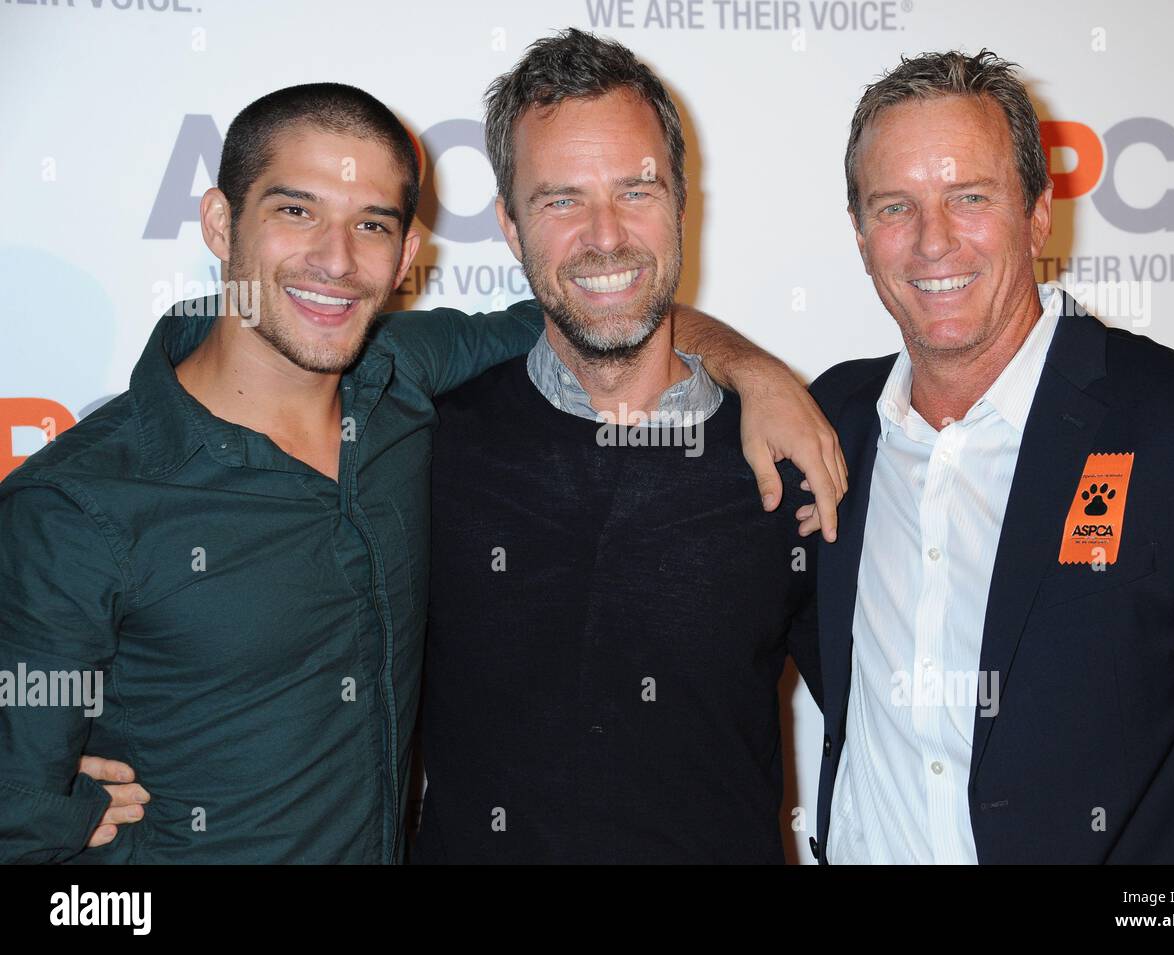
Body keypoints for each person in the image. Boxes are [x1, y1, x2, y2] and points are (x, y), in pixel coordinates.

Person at [0, 82, 844, 863]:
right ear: (221, 223)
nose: (334, 260)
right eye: (296, 210)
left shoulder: (402, 378)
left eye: (370, 223)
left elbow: (601, 297)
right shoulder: (77, 504)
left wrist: (755, 370)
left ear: (407, 251)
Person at [807, 49, 1174, 864]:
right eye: (896, 206)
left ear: (1038, 212)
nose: (934, 242)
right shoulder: (830, 425)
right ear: (860, 236)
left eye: (970, 197)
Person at [414, 29, 823, 863]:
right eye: (561, 199)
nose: (605, 236)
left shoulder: (788, 456)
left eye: (637, 190)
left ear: (681, 202)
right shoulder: (424, 445)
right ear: (509, 224)